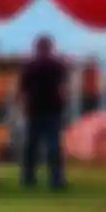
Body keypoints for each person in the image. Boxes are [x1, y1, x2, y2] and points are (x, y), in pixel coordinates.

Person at [18, 35, 69, 190]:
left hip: (34, 109)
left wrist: (22, 107)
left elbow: (22, 90)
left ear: (37, 48)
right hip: (53, 110)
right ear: (51, 48)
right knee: (53, 146)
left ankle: (28, 177)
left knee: (31, 146)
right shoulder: (58, 66)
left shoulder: (30, 66)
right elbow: (64, 89)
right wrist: (63, 105)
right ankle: (56, 179)